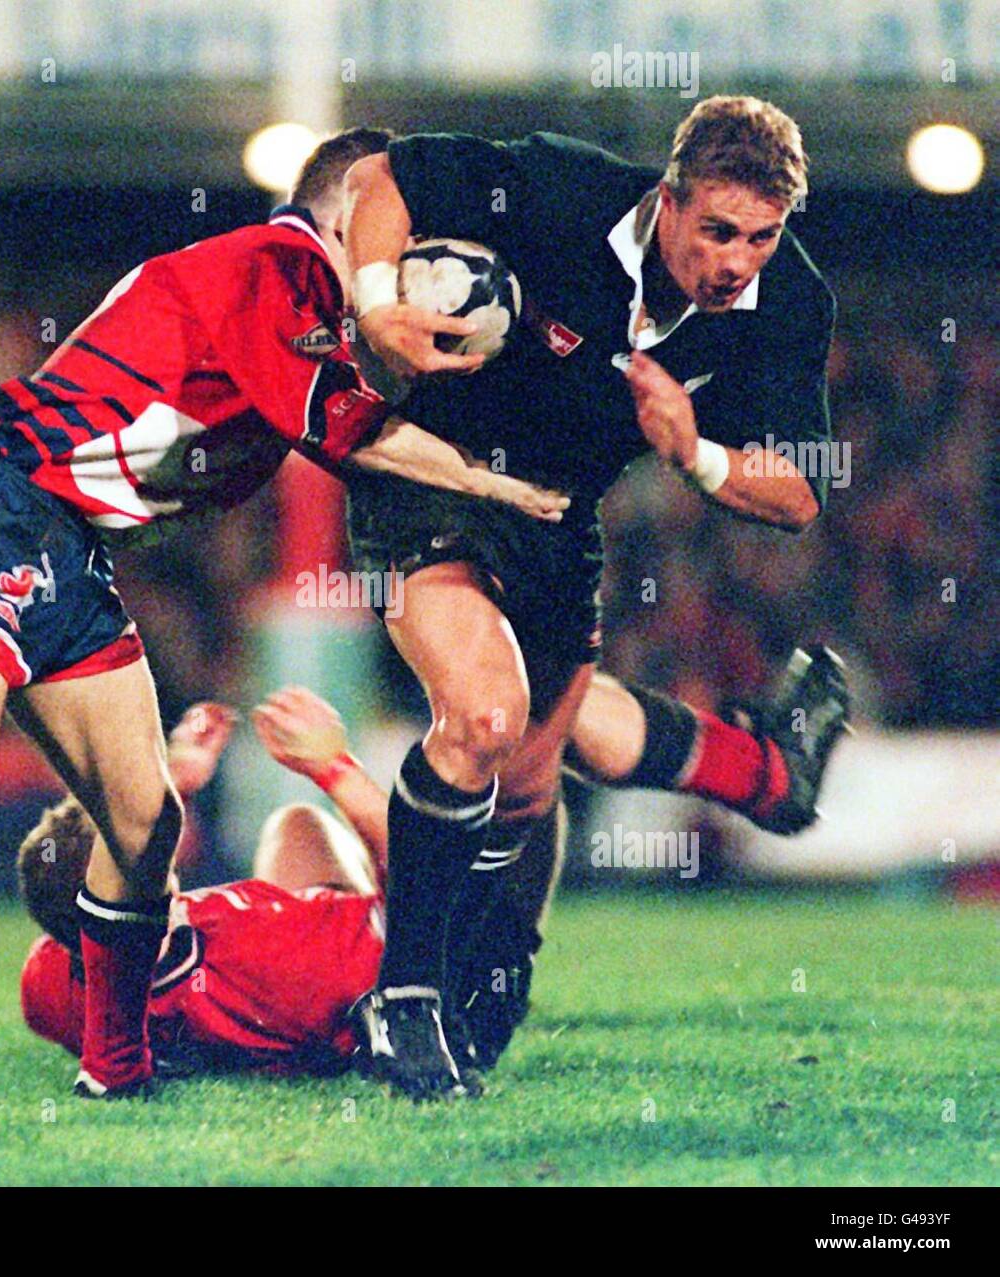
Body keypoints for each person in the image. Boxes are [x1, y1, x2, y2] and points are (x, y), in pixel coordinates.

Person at [0, 128, 569, 1121]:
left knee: (145, 818)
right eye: (403, 226)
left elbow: (326, 412)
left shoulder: (309, 313)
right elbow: (345, 428)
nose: (413, 255)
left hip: (67, 551)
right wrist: (483, 475)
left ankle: (114, 1066)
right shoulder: (276, 266)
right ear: (348, 215)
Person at [339, 96, 851, 1097]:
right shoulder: (558, 188)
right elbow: (386, 178)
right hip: (430, 475)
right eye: (716, 231)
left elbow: (797, 493)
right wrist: (373, 303)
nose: (737, 259)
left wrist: (694, 454)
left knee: (530, 784)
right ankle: (404, 998)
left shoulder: (787, 301)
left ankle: (492, 986)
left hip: (558, 516)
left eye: (761, 235)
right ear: (666, 202)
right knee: (482, 714)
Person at [18, 688, 542, 1088]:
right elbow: (427, 891)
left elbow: (99, 889)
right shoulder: (280, 950)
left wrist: (169, 787)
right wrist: (334, 768)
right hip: (457, 980)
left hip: (228, 998)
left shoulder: (48, 985)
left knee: (297, 828)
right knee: (527, 792)